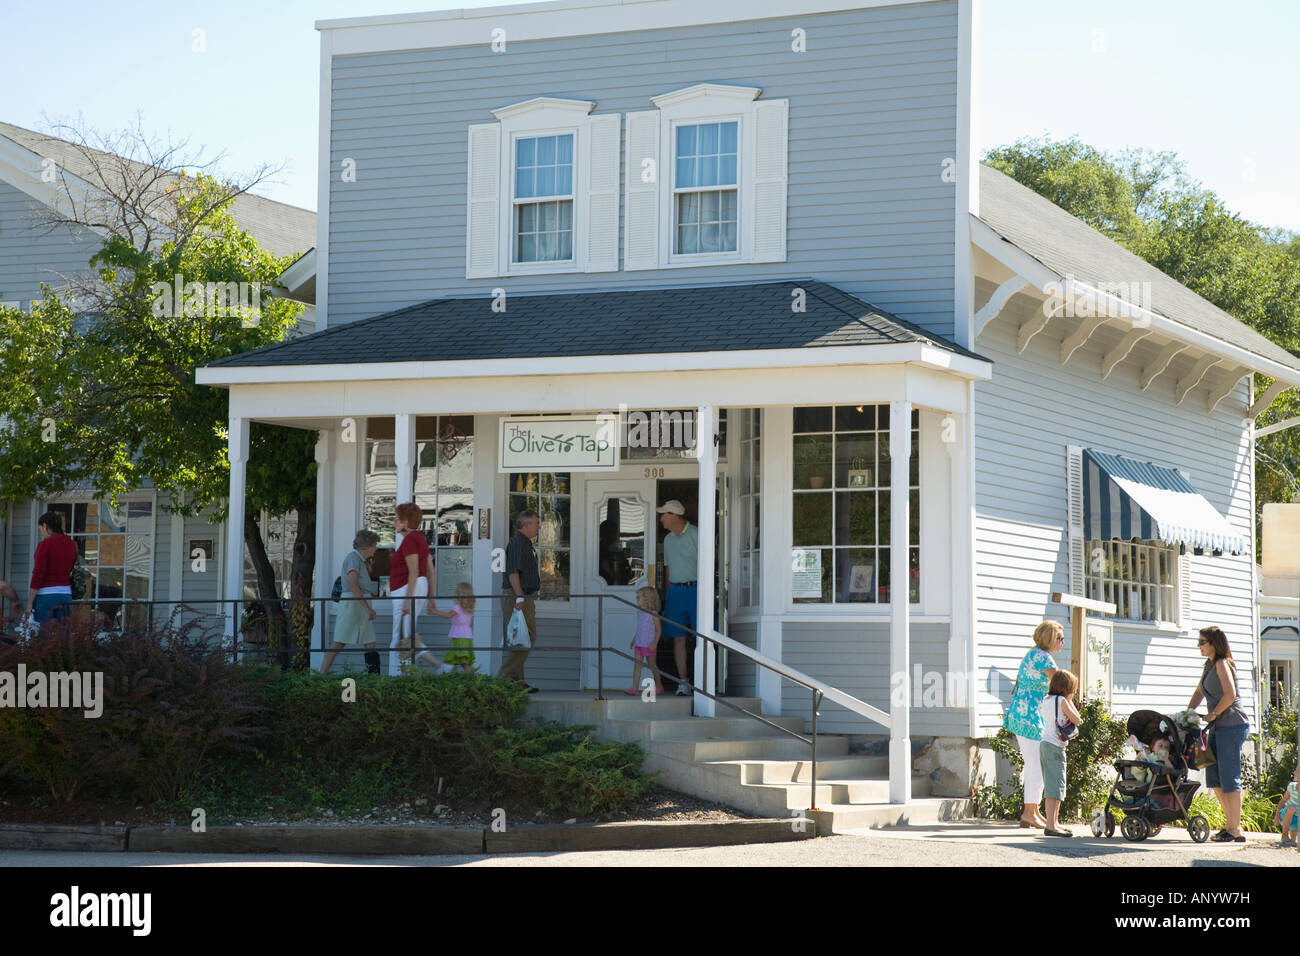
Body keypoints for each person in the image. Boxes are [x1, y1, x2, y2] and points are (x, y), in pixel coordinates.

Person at [1189, 625, 1251, 842]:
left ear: (1214, 643)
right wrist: (1187, 713)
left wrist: (1214, 713)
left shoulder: (1222, 664)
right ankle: (1231, 825)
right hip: (1216, 727)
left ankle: (1234, 829)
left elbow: (1230, 695)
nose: (1199, 646)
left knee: (1229, 778)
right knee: (1214, 779)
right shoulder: (1208, 666)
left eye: (1202, 642)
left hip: (1232, 725)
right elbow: (1199, 692)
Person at [1003, 620, 1063, 829]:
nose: (1062, 642)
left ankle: (1033, 811)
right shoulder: (1043, 657)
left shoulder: (1033, 654)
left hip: (1025, 714)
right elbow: (1060, 684)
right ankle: (1029, 812)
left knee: (1034, 763)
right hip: (1029, 717)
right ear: (1049, 638)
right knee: (1036, 764)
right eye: (1059, 638)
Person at [388, 502, 443, 675]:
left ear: (405, 522)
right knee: (407, 634)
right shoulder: (418, 538)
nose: (394, 523)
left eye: (397, 520)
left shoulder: (411, 540)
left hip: (408, 590)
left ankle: (396, 677)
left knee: (399, 636)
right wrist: (432, 599)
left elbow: (413, 572)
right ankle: (409, 673)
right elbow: (431, 571)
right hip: (417, 588)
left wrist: (407, 601)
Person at [321, 530, 381, 675]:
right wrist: (367, 608)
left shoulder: (362, 561)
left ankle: (374, 678)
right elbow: (353, 584)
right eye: (374, 545)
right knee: (339, 641)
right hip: (352, 604)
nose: (376, 548)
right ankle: (320, 674)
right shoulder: (353, 558)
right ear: (367, 546)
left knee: (370, 641)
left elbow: (361, 584)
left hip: (361, 603)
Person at [656, 499, 698, 696]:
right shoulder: (668, 539)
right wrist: (666, 596)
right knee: (677, 638)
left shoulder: (697, 534)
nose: (661, 518)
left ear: (674, 516)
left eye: (664, 514)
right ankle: (683, 682)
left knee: (703, 637)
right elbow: (668, 568)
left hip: (697, 589)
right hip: (675, 591)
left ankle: (706, 681)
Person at [499, 509, 541, 692]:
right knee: (526, 637)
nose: (539, 527)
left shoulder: (526, 544)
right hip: (516, 595)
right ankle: (503, 678)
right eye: (537, 523)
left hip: (523, 595)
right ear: (526, 525)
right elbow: (513, 572)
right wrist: (520, 596)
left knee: (521, 638)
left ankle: (517, 682)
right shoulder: (517, 543)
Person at [1038, 668, 1081, 838]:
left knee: (1053, 784)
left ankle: (1054, 823)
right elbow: (1077, 719)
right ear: (1066, 687)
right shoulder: (1062, 700)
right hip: (1055, 745)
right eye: (1073, 689)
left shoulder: (1047, 699)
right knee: (1056, 786)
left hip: (1045, 743)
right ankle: (1051, 825)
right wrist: (1069, 700)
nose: (1074, 692)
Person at [30, 511, 78, 625]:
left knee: (44, 636)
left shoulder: (45, 545)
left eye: (40, 528)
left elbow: (38, 574)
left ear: (45, 526)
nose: (41, 532)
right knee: (63, 636)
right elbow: (71, 568)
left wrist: (29, 603)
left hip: (45, 595)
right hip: (65, 593)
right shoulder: (71, 544)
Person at [428, 581, 477, 673]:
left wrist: (434, 611)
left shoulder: (457, 607)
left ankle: (465, 678)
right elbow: (470, 624)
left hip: (459, 637)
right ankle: (466, 678)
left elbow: (448, 615)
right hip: (467, 637)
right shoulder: (469, 608)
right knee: (461, 660)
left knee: (459, 660)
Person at [625, 585, 664, 697]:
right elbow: (640, 628)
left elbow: (659, 630)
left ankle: (659, 686)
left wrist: (655, 643)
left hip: (649, 645)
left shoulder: (653, 614)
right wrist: (634, 639)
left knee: (652, 665)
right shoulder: (640, 612)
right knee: (637, 666)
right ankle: (635, 688)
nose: (636, 599)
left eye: (638, 597)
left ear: (647, 599)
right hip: (639, 643)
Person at [1274, 766, 1298, 848]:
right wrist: (1277, 815)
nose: (1294, 772)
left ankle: (1292, 840)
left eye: (1297, 771)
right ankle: (1284, 836)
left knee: (1293, 841)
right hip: (1285, 816)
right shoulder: (1292, 786)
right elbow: (1282, 801)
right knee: (1292, 808)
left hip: (1297, 819)